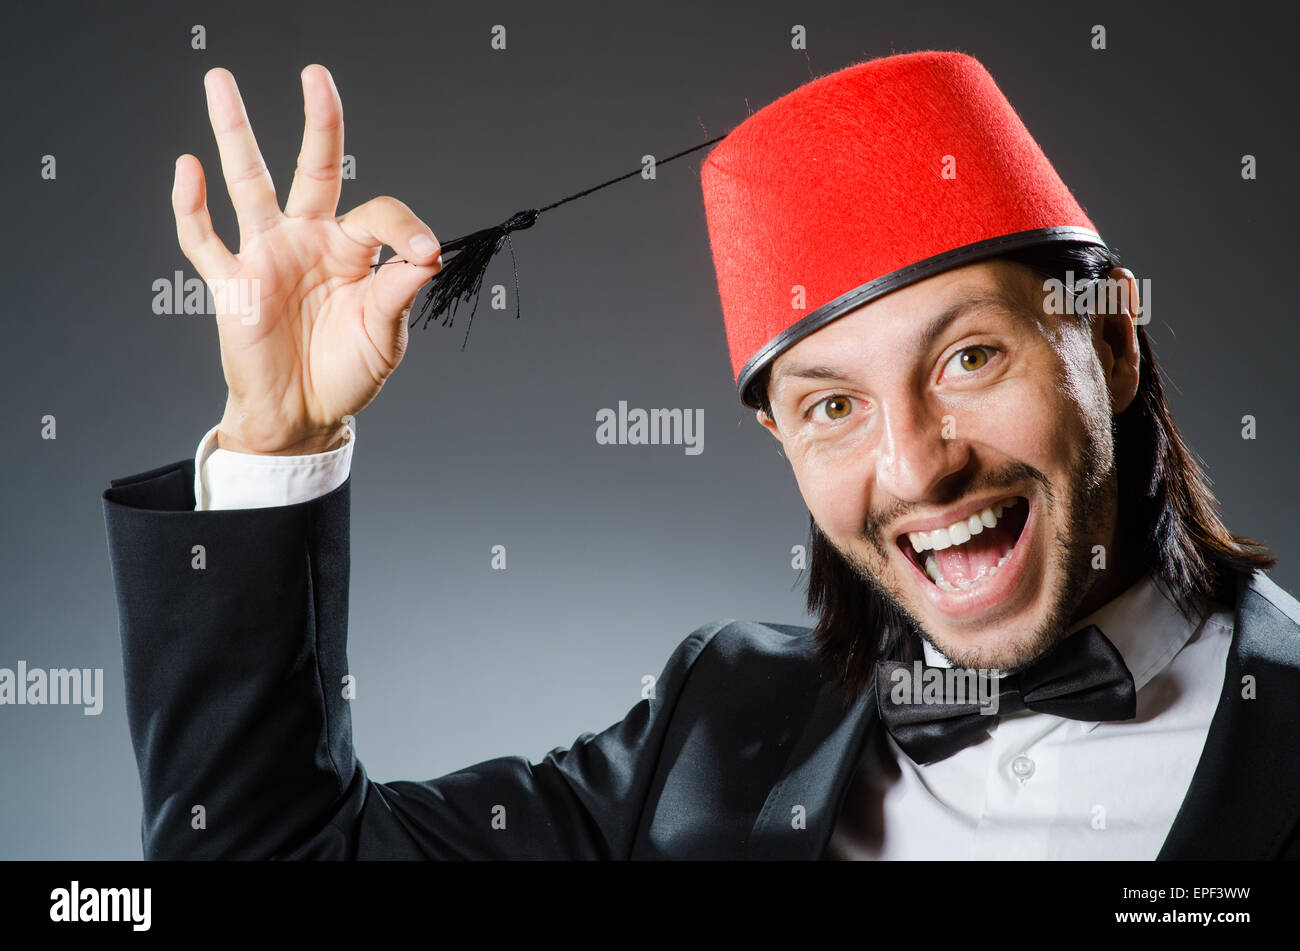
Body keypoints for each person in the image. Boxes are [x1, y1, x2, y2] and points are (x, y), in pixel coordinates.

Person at [104, 52, 1300, 860]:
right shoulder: (720, 726)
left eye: (967, 361)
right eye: (832, 406)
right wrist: (280, 437)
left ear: (1108, 341)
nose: (916, 468)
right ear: (779, 437)